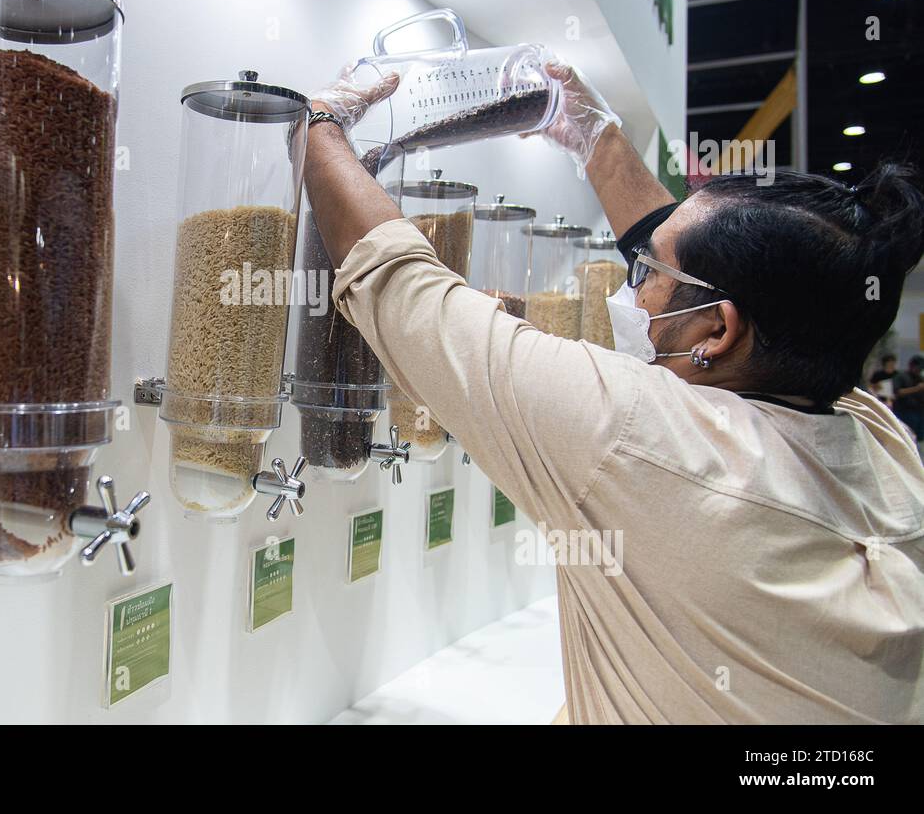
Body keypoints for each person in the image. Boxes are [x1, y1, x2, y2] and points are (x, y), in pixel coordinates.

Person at [303, 61, 924, 724]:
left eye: (647, 273)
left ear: (718, 329)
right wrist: (597, 140)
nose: (630, 291)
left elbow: (404, 288)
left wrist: (319, 126)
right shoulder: (877, 434)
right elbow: (699, 261)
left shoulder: (639, 435)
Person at [893, 355, 924, 440]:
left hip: (919, 411)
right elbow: (898, 392)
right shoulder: (901, 376)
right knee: (907, 436)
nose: (919, 370)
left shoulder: (920, 378)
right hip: (905, 411)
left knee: (920, 438)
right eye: (917, 368)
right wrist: (916, 388)